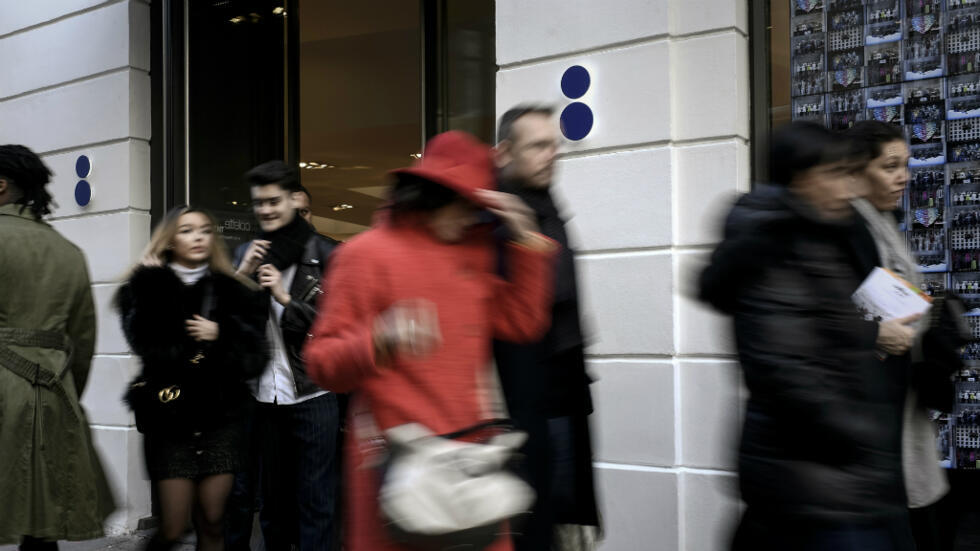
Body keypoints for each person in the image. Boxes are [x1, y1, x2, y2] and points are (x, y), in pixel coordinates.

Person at [302, 130, 557, 551]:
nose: (470, 217)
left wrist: (527, 239)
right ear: (430, 194)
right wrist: (379, 338)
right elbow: (322, 364)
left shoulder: (469, 256)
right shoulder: (365, 255)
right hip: (398, 469)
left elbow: (522, 323)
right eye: (464, 202)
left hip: (471, 465)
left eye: (478, 206)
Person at [699, 122, 918, 551]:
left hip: (833, 477)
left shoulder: (823, 237)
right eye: (836, 174)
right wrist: (862, 432)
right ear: (802, 178)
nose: (847, 188)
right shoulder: (775, 251)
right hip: (815, 479)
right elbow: (786, 373)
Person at [115, 206, 268, 551]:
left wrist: (221, 334)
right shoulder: (142, 289)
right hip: (170, 418)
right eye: (186, 230)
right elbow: (148, 347)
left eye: (204, 230)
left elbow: (255, 359)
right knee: (173, 527)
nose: (198, 237)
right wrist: (153, 286)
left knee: (213, 521)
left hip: (222, 419)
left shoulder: (233, 289)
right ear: (169, 240)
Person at [846, 121, 968, 551]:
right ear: (859, 171)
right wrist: (885, 332)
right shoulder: (854, 232)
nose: (904, 176)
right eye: (890, 166)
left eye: (906, 164)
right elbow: (853, 324)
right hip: (879, 421)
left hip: (901, 410)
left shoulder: (882, 224)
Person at [492, 105, 600, 550]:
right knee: (533, 529)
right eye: (537, 145)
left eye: (553, 144)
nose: (551, 154)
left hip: (565, 393)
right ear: (503, 152)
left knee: (564, 526)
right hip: (523, 408)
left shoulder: (547, 205)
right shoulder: (495, 216)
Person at [0, 144, 116, 551]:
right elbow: (83, 343)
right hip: (54, 392)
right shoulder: (70, 253)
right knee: (42, 520)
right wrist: (64, 392)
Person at [226, 161, 341, 551]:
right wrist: (241, 275)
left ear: (295, 200)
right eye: (259, 203)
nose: (266, 210)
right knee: (273, 506)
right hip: (263, 398)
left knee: (316, 504)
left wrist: (285, 298)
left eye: (274, 201)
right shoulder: (246, 251)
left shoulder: (328, 253)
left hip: (314, 394)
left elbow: (337, 328)